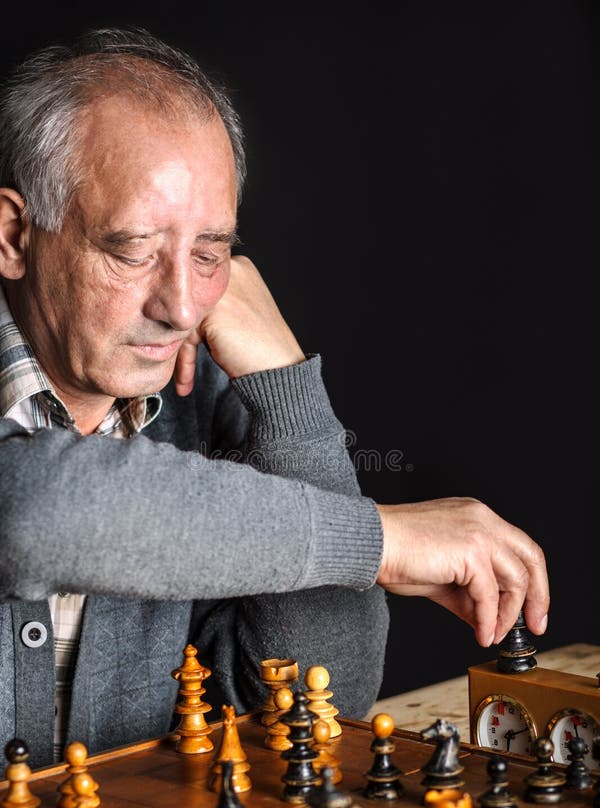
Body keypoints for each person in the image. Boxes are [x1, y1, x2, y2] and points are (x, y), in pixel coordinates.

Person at [0, 27, 549, 769]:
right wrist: (382, 541)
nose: (183, 306)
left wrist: (286, 385)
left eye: (210, 253)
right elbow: (34, 512)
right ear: (14, 234)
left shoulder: (197, 395)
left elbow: (317, 702)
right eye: (132, 250)